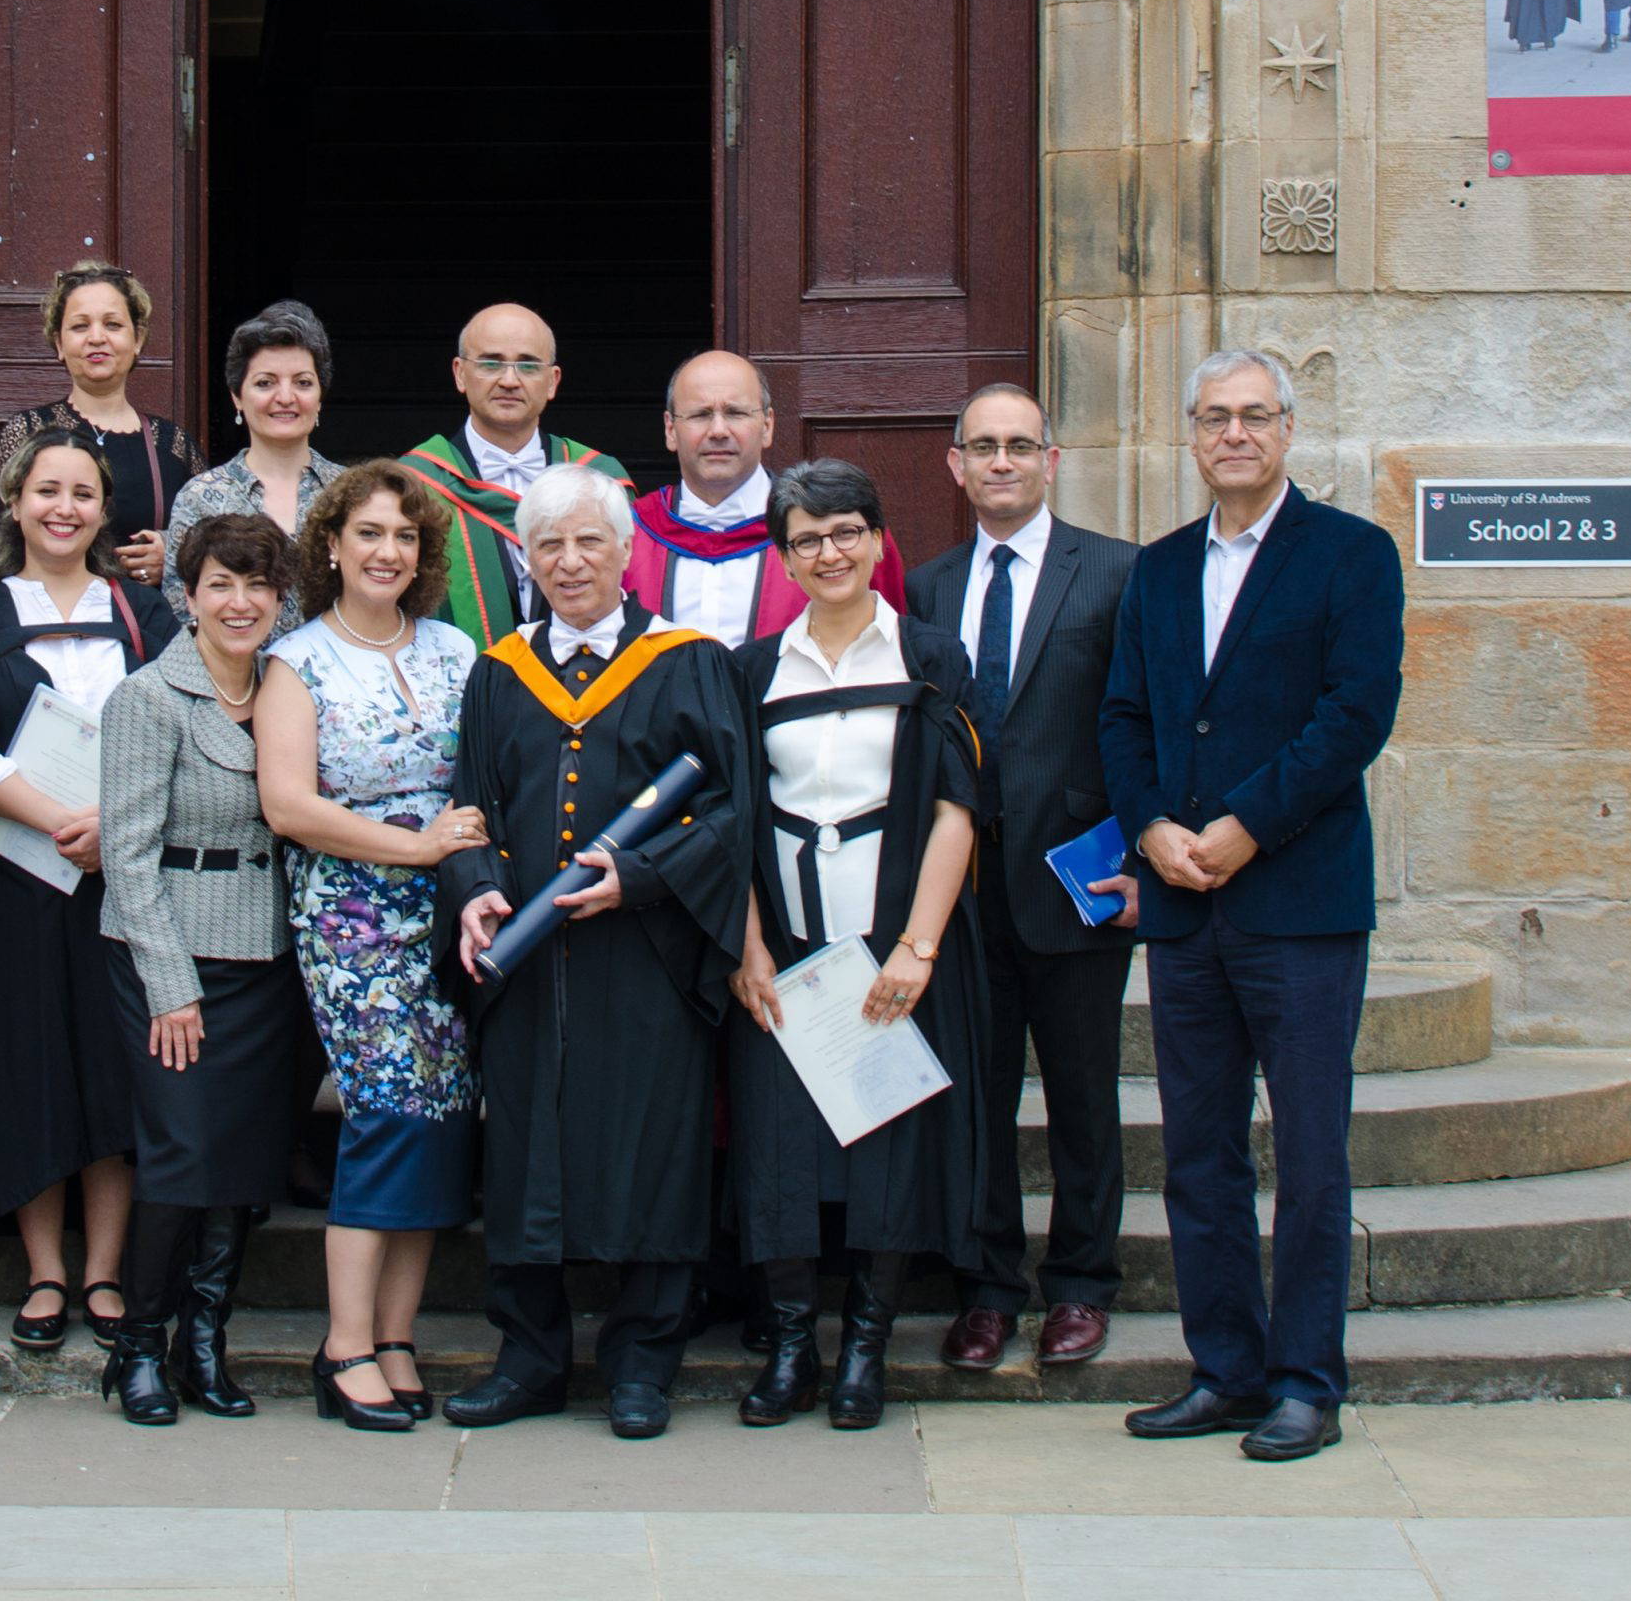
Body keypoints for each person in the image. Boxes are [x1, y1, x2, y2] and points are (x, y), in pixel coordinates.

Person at [1099, 349, 1404, 1463]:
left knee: (1310, 1154)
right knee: (1199, 1153)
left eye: (1255, 415)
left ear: (1287, 431)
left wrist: (1243, 825)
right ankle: (1223, 1369)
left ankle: (1305, 1381)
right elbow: (1124, 716)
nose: (1235, 433)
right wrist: (1149, 829)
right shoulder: (1160, 568)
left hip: (1299, 902)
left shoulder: (1351, 555)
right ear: (1190, 434)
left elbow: (1354, 713)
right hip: (1183, 905)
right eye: (1215, 417)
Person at [437, 465, 753, 1441]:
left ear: (626, 552)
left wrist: (646, 878)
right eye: (549, 546)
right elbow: (467, 807)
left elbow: (730, 808)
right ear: (525, 559)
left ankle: (640, 1364)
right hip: (529, 959)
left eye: (588, 542)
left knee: (653, 1149)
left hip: (646, 956)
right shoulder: (499, 671)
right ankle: (529, 1357)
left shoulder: (687, 660)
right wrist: (474, 887)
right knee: (526, 1142)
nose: (569, 562)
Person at [723, 460, 987, 1432]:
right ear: (783, 555)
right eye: (806, 538)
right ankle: (792, 1346)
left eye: (845, 532)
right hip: (785, 946)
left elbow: (958, 806)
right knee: (777, 1150)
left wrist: (917, 948)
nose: (827, 552)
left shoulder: (927, 656)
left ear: (877, 540)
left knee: (885, 1145)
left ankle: (864, 1350)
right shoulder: (752, 671)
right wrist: (747, 946)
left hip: (889, 943)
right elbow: (731, 821)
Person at [905, 385, 1141, 1377]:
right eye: (981, 447)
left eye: (1019, 445)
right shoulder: (926, 586)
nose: (1001, 461)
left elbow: (1143, 721)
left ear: (1051, 459)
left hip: (1073, 880)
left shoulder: (1117, 573)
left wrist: (1136, 850)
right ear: (954, 467)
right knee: (977, 1102)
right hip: (963, 894)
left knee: (1083, 1098)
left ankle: (1081, 1286)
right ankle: (989, 1291)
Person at [256, 462, 485, 1432]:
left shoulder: (455, 650)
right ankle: (343, 1341)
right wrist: (415, 845)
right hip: (352, 913)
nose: (386, 551)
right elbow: (290, 804)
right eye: (368, 535)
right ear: (332, 547)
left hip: (451, 914)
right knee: (387, 1110)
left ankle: (397, 1336)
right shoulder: (295, 661)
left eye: (402, 537)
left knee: (443, 1115)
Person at [0, 428, 177, 1356]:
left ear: (103, 510)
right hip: (15, 870)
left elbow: (176, 721)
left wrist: (110, 826)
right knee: (27, 1061)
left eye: (84, 493)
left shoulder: (145, 611)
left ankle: (105, 1271)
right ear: (14, 502)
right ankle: (46, 1269)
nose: (65, 508)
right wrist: (53, 819)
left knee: (113, 1066)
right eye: (47, 490)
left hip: (122, 872)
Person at [97, 515, 311, 1424]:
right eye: (222, 584)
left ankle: (204, 1343)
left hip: (268, 957)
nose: (240, 602)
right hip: (172, 953)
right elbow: (128, 855)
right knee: (183, 1157)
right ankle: (140, 1347)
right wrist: (171, 984)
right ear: (188, 595)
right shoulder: (148, 699)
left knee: (244, 1161)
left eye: (258, 586)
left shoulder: (288, 690)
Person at [622, 351, 906, 647]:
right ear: (670, 429)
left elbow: (890, 651)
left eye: (736, 413)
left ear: (767, 425)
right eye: (700, 414)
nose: (718, 431)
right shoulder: (627, 535)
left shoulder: (849, 536)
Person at [400, 303, 633, 647]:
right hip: (464, 688)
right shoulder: (413, 483)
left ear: (552, 381)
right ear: (460, 373)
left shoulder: (600, 479)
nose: (509, 380)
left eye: (527, 365)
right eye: (491, 363)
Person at [0, 259, 205, 586]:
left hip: (146, 627)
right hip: (48, 622)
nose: (97, 337)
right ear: (59, 343)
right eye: (80, 326)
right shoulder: (26, 433)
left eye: (113, 325)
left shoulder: (175, 446)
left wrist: (175, 556)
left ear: (138, 339)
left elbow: (215, 546)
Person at [161, 301, 342, 641]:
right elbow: (183, 617)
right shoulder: (200, 497)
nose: (285, 397)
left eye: (302, 383)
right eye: (265, 383)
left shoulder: (350, 492)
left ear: (319, 398)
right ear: (237, 397)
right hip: (234, 687)